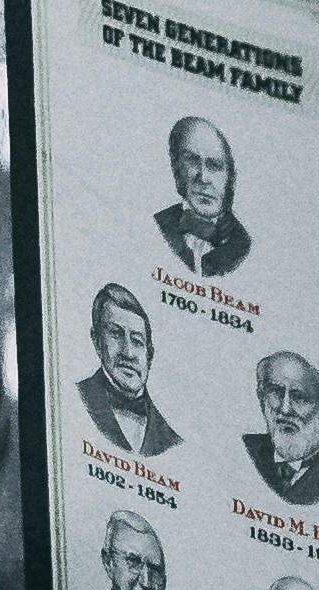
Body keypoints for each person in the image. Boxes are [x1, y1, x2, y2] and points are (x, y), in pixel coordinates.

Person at [75, 282, 180, 458]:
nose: (128, 353)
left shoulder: (170, 439)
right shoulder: (76, 398)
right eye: (116, 334)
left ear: (150, 354)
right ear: (97, 341)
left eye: (137, 341)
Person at [245, 348, 319, 506]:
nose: (285, 409)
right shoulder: (247, 448)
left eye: (299, 397)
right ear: (261, 400)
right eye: (276, 392)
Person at [154, 117, 252, 277]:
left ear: (231, 177)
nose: (204, 178)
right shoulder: (160, 223)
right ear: (177, 168)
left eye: (215, 166)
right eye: (192, 161)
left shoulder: (244, 244)